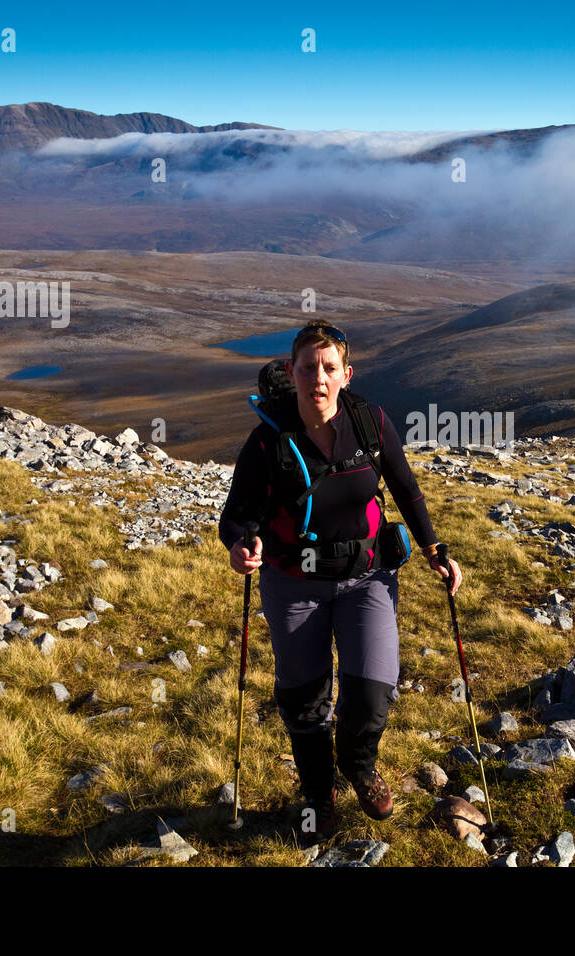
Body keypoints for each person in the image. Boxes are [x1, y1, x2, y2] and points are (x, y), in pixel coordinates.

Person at [218, 319, 461, 841]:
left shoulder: (369, 422)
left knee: (373, 690)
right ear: (292, 372)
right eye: (309, 368)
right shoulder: (267, 443)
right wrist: (241, 546)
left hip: (366, 578)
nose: (318, 378)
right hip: (292, 584)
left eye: (329, 368)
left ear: (346, 374)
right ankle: (317, 792)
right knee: (304, 698)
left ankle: (357, 764)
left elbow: (405, 485)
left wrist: (435, 549)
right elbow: (236, 516)